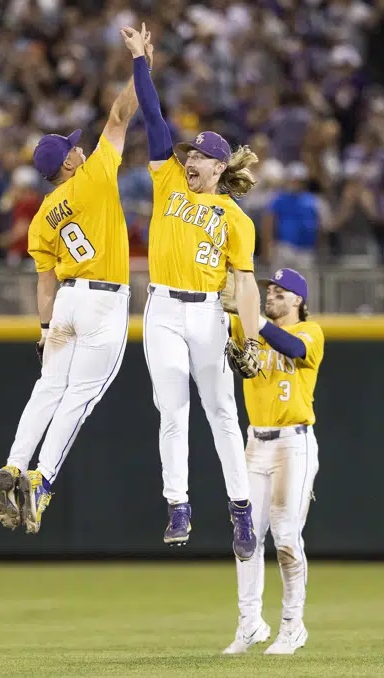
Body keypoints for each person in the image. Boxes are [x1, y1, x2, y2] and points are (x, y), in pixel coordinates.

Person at [0, 25, 152, 535]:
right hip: (103, 302)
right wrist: (141, 63)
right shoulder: (95, 174)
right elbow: (120, 113)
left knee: (47, 390)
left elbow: (44, 284)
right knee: (78, 399)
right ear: (67, 162)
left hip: (62, 307)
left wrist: (43, 331)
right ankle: (39, 480)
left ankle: (15, 463)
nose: (80, 150)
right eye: (73, 149)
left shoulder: (42, 216)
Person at [123, 24, 260, 554]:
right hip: (161, 308)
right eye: (190, 155)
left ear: (220, 167)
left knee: (223, 411)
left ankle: (241, 512)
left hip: (207, 314)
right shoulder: (168, 181)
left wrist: (250, 339)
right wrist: (141, 62)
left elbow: (245, 285)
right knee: (172, 406)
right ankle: (178, 504)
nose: (191, 161)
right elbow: (153, 116)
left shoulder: (235, 219)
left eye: (200, 157)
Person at [222, 268, 324, 656]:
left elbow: (294, 350)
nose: (270, 295)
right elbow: (220, 322)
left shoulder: (310, 332)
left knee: (285, 537)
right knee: (245, 538)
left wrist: (252, 316)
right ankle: (249, 623)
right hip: (255, 442)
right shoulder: (247, 327)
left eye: (280, 292)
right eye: (268, 290)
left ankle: (292, 626)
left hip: (293, 444)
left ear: (298, 300)